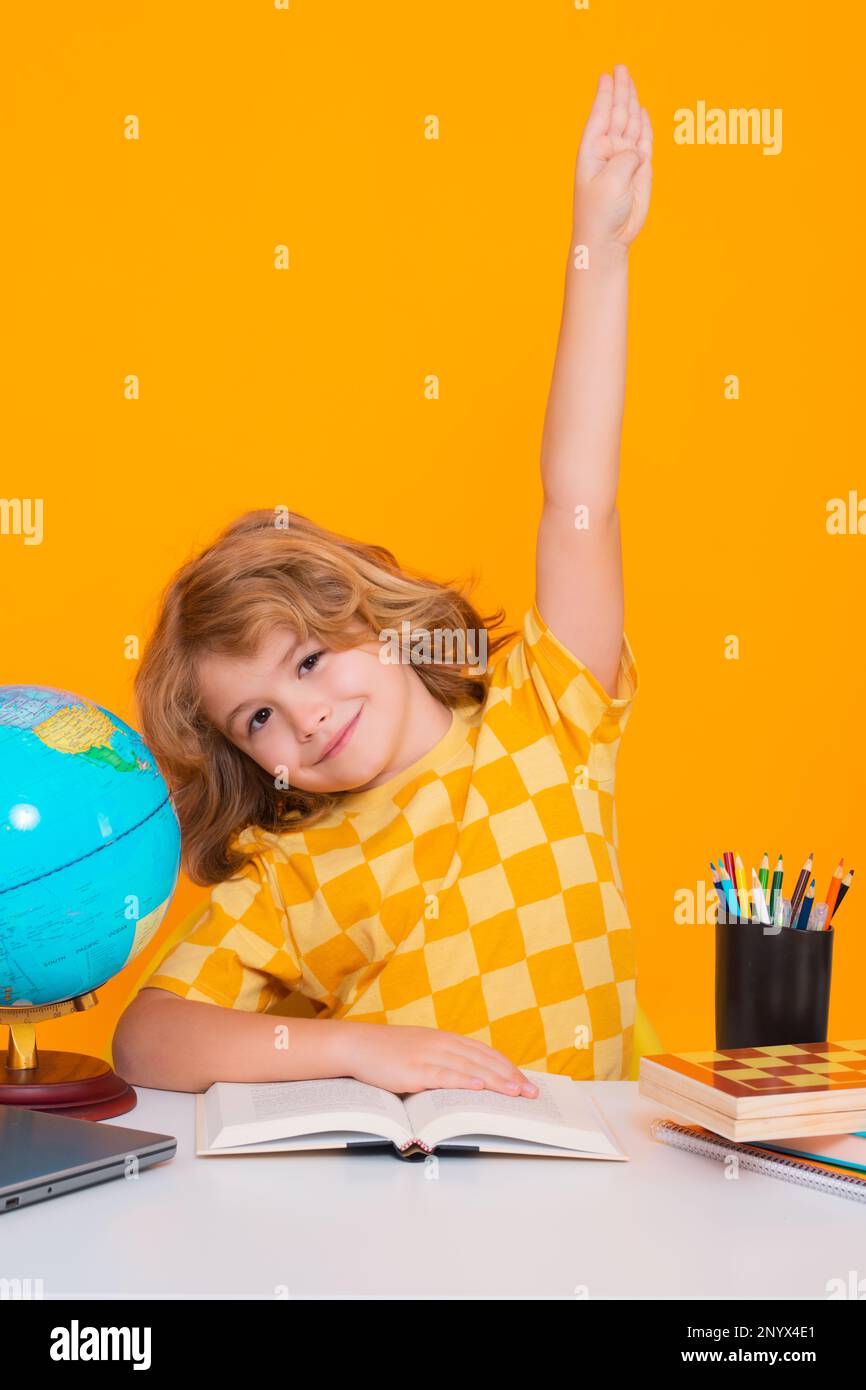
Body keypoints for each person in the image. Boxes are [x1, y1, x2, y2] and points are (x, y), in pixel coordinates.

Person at [113, 63, 652, 1097]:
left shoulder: (548, 717)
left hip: (596, 1206)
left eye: (310, 660)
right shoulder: (291, 871)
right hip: (405, 1220)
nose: (303, 718)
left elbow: (578, 495)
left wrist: (600, 245)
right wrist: (357, 1048)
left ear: (379, 620)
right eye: (257, 717)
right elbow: (145, 1040)